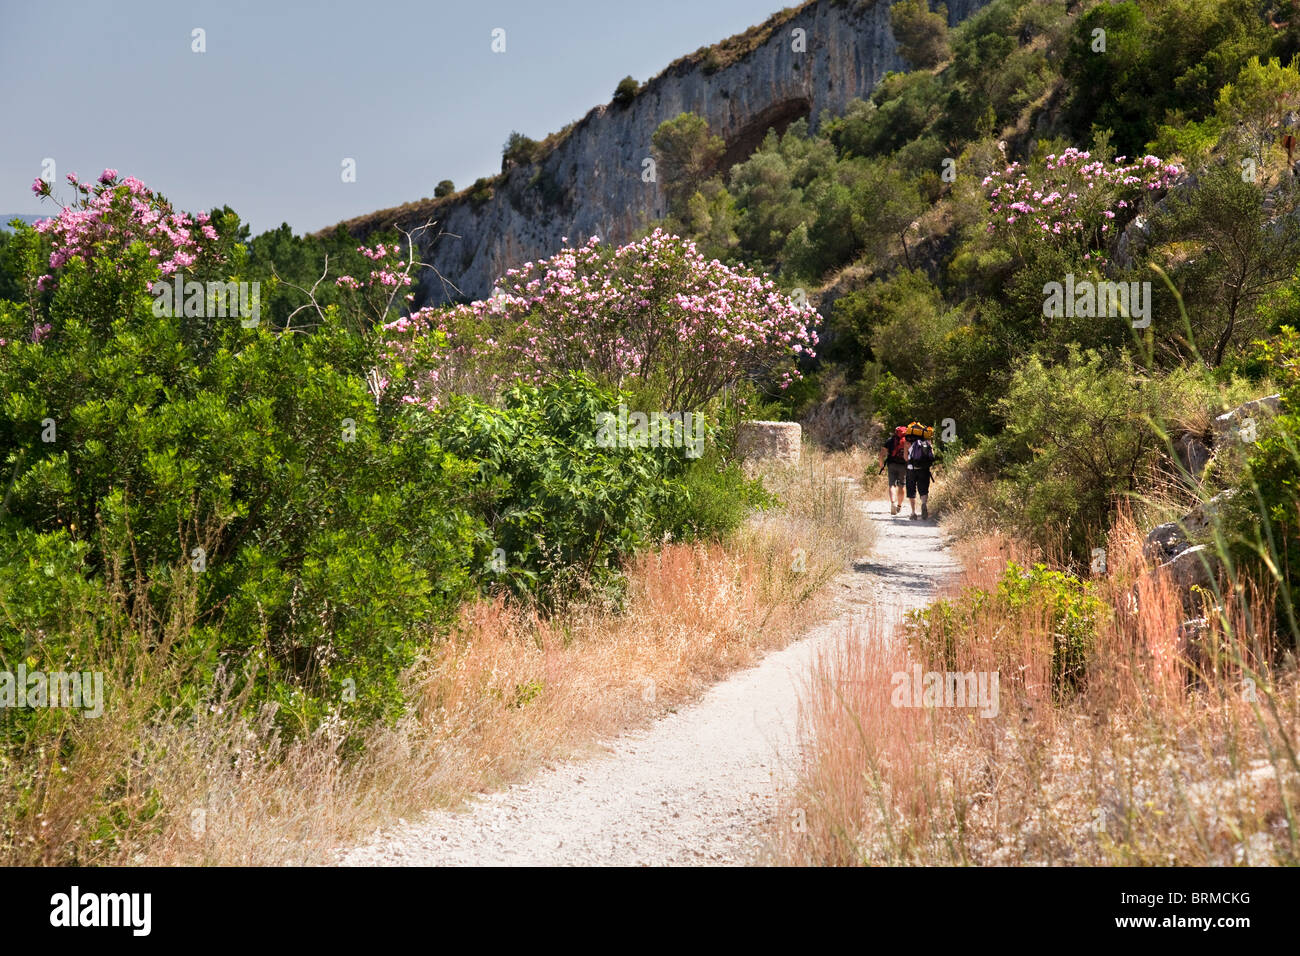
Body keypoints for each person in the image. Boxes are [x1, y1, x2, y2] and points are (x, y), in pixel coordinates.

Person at [905, 426, 936, 520]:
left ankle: (913, 513)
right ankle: (923, 504)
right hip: (924, 469)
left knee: (911, 490)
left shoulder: (908, 442)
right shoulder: (928, 442)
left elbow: (905, 458)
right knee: (923, 489)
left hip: (911, 469)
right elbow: (932, 456)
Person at [879, 425, 910, 515]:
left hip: (892, 465)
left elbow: (881, 455)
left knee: (892, 485)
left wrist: (881, 466)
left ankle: (893, 503)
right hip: (904, 466)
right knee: (901, 486)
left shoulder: (890, 440)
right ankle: (899, 506)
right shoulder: (908, 441)